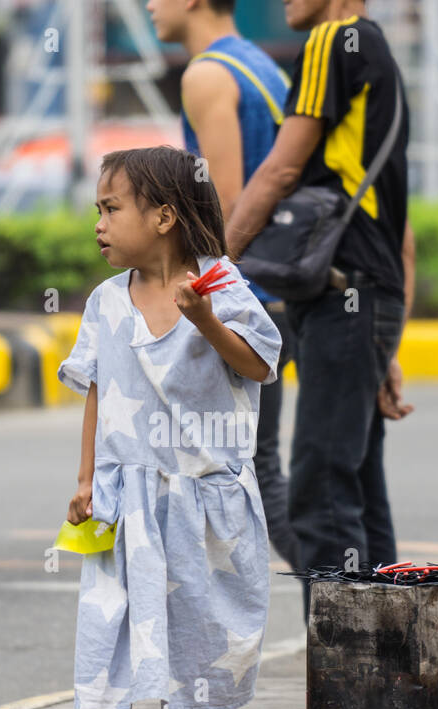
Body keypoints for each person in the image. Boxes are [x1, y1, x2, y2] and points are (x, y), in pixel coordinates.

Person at [58, 146, 283, 709]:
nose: (98, 222)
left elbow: (260, 365)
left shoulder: (221, 284)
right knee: (112, 629)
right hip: (127, 499)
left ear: (162, 217)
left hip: (211, 497)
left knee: (224, 633)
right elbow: (97, 385)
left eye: (110, 208)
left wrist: (206, 320)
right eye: (98, 209)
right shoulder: (105, 301)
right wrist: (86, 475)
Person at [224, 0, 416, 621]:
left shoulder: (334, 42)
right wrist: (385, 341)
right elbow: (401, 228)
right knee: (358, 483)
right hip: (366, 295)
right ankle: (391, 676)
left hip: (347, 295)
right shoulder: (378, 53)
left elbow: (280, 169)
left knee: (321, 490)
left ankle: (350, 688)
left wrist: (213, 267)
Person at [147, 0, 299, 569]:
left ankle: (347, 618)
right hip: (282, 291)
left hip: (243, 305)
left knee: (259, 473)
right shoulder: (262, 65)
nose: (149, 6)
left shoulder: (207, 73)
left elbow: (226, 204)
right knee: (272, 471)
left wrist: (194, 299)